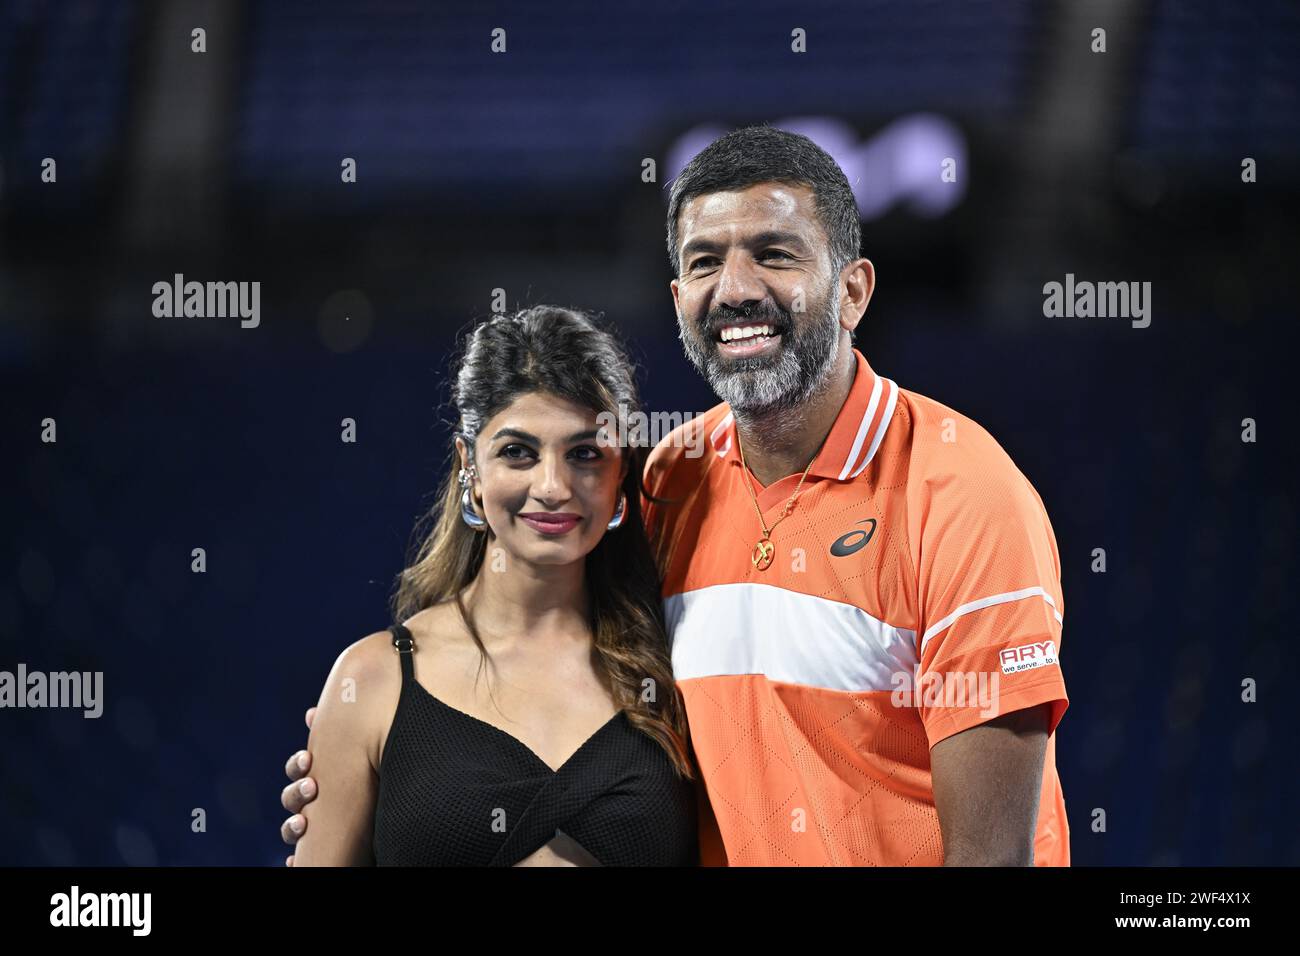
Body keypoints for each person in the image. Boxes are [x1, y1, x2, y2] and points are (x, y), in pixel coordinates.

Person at [285, 125, 1070, 866]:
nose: (735, 288)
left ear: (854, 291)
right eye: (704, 261)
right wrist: (380, 758)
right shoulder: (669, 482)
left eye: (773, 253)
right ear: (677, 298)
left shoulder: (963, 494)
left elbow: (994, 855)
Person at [288, 305, 697, 866]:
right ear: (469, 468)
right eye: (517, 452)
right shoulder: (373, 680)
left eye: (583, 454)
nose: (552, 487)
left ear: (620, 471)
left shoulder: (681, 670)